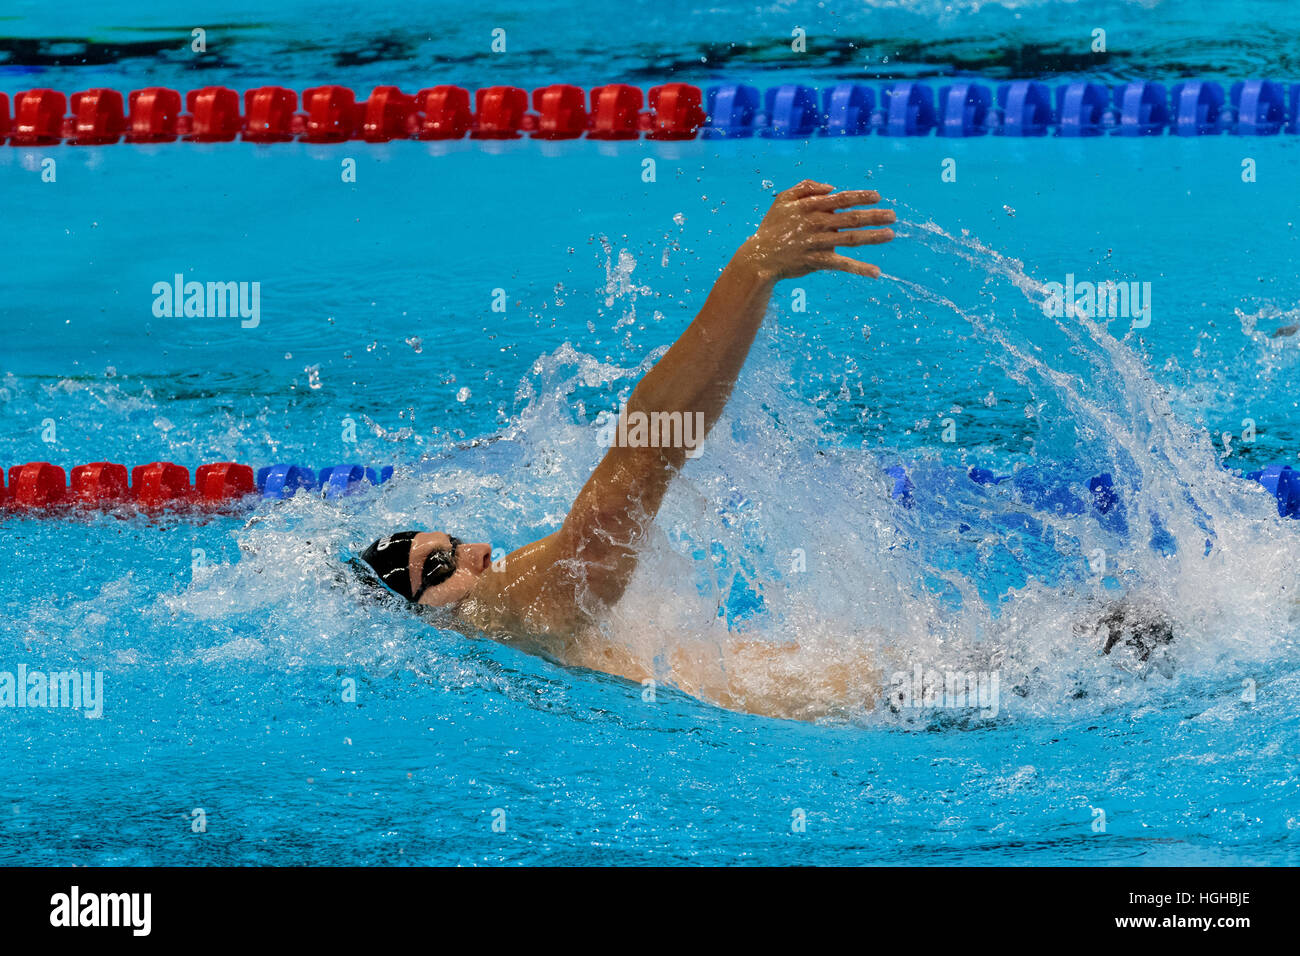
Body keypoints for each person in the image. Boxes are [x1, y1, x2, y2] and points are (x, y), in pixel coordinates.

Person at [349, 180, 895, 720]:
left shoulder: (508, 629)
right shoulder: (493, 614)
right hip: (895, 708)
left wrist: (759, 274)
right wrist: (753, 269)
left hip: (895, 700)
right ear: (413, 617)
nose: (482, 549)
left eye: (457, 542)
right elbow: (642, 460)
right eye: (442, 565)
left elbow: (654, 455)